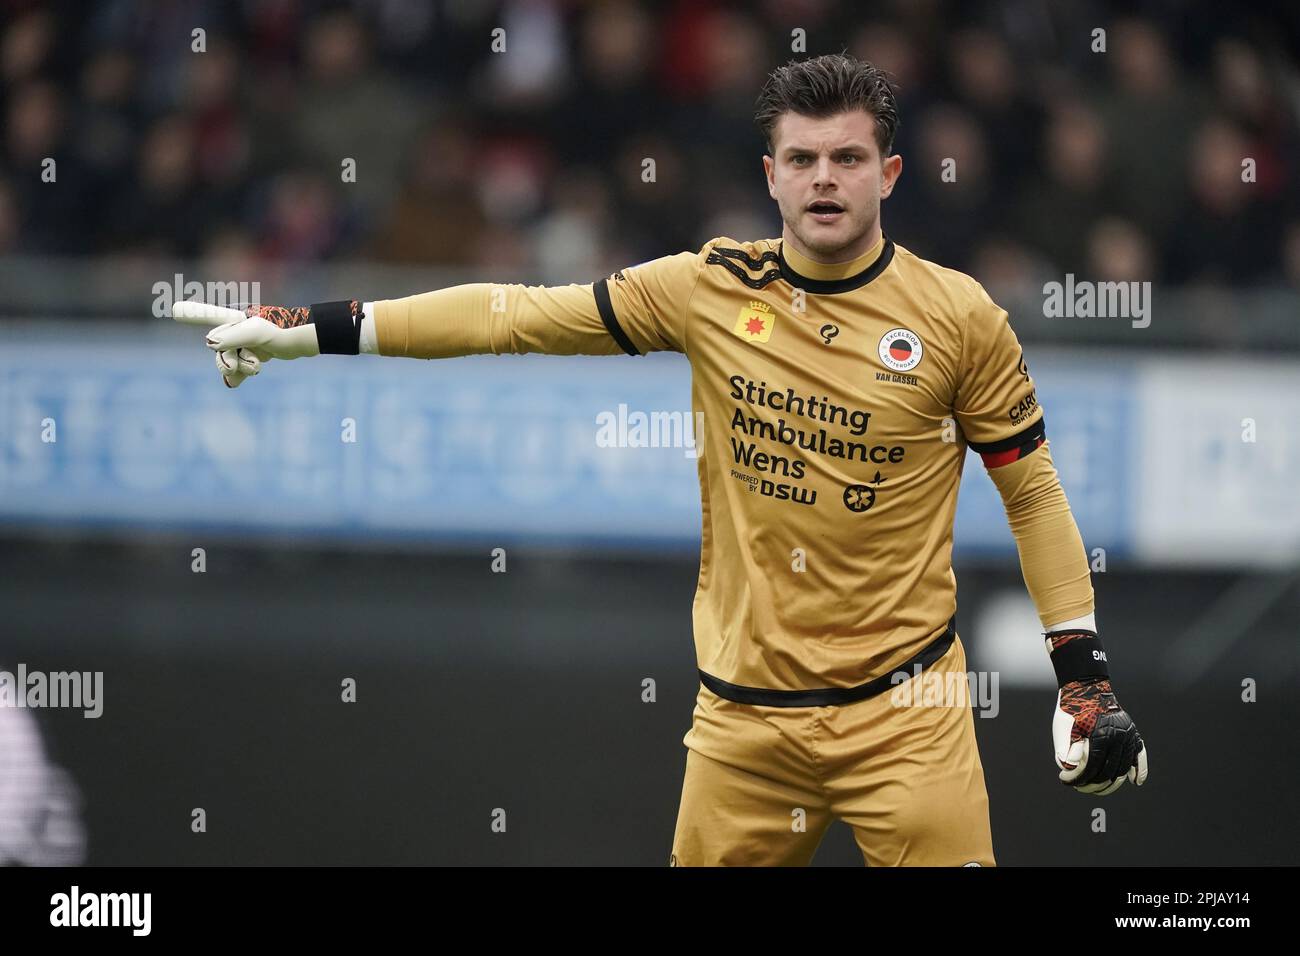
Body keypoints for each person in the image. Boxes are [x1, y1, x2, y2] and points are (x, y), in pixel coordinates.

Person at [177, 54, 1148, 866]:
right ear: (768, 175)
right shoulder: (706, 288)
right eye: (800, 158)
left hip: (910, 712)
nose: (822, 178)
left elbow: (1031, 491)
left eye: (847, 158)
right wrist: (313, 328)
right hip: (743, 728)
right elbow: (513, 314)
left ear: (888, 175)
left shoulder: (959, 317)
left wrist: (1083, 671)